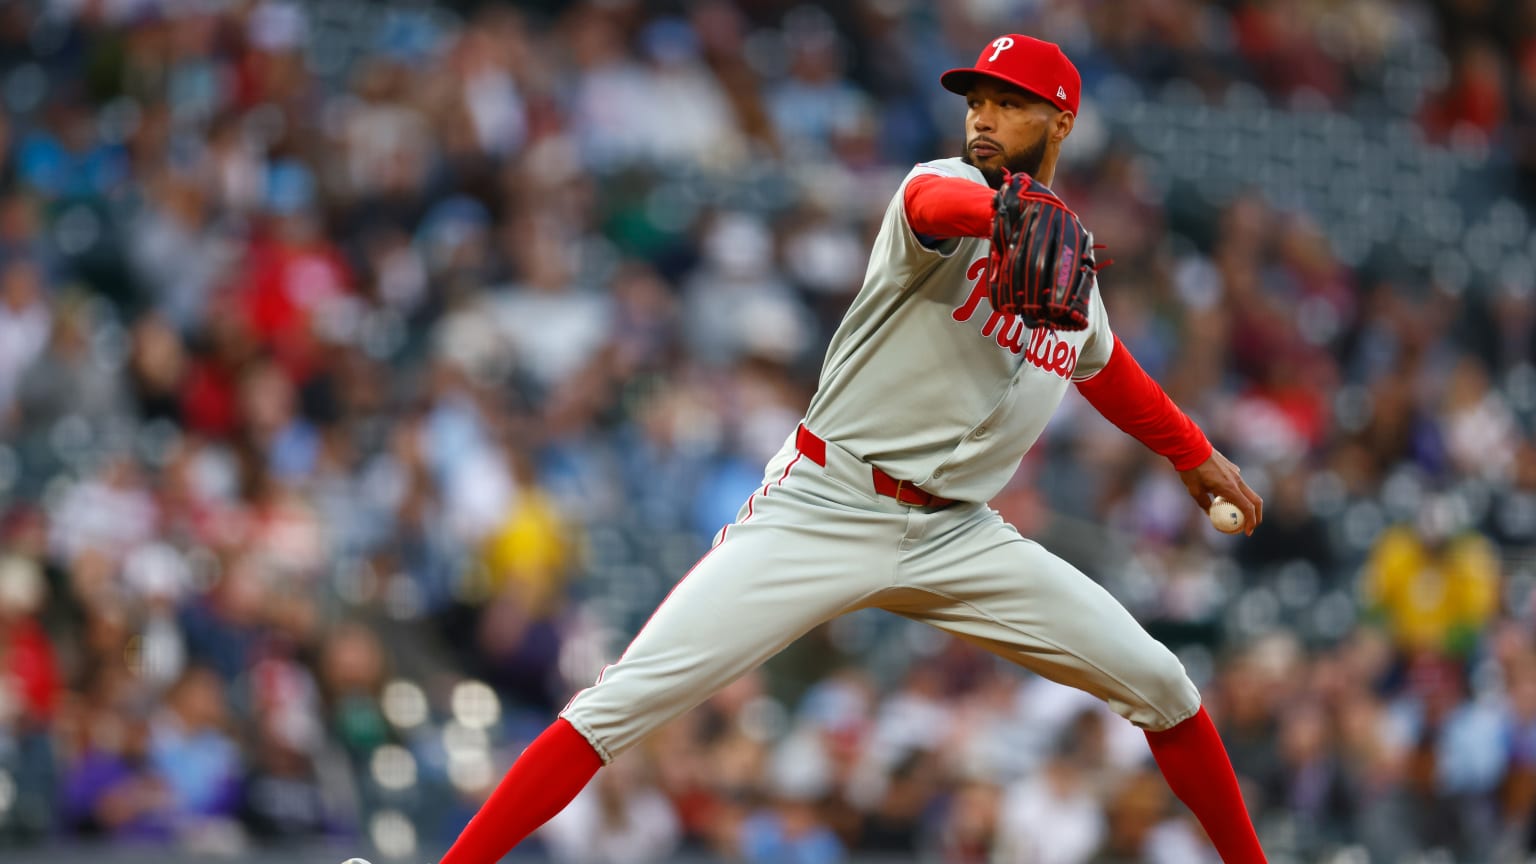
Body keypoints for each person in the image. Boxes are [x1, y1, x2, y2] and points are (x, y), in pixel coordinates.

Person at [432, 34, 1268, 863]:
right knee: (620, 705)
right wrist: (1001, 210)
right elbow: (929, 211)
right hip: (828, 504)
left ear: (1060, 122)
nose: (983, 117)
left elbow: (1108, 367)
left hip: (959, 536)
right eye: (976, 100)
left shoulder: (1070, 272)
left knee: (1164, 687)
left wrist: (1194, 456)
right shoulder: (945, 187)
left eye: (1009, 103)